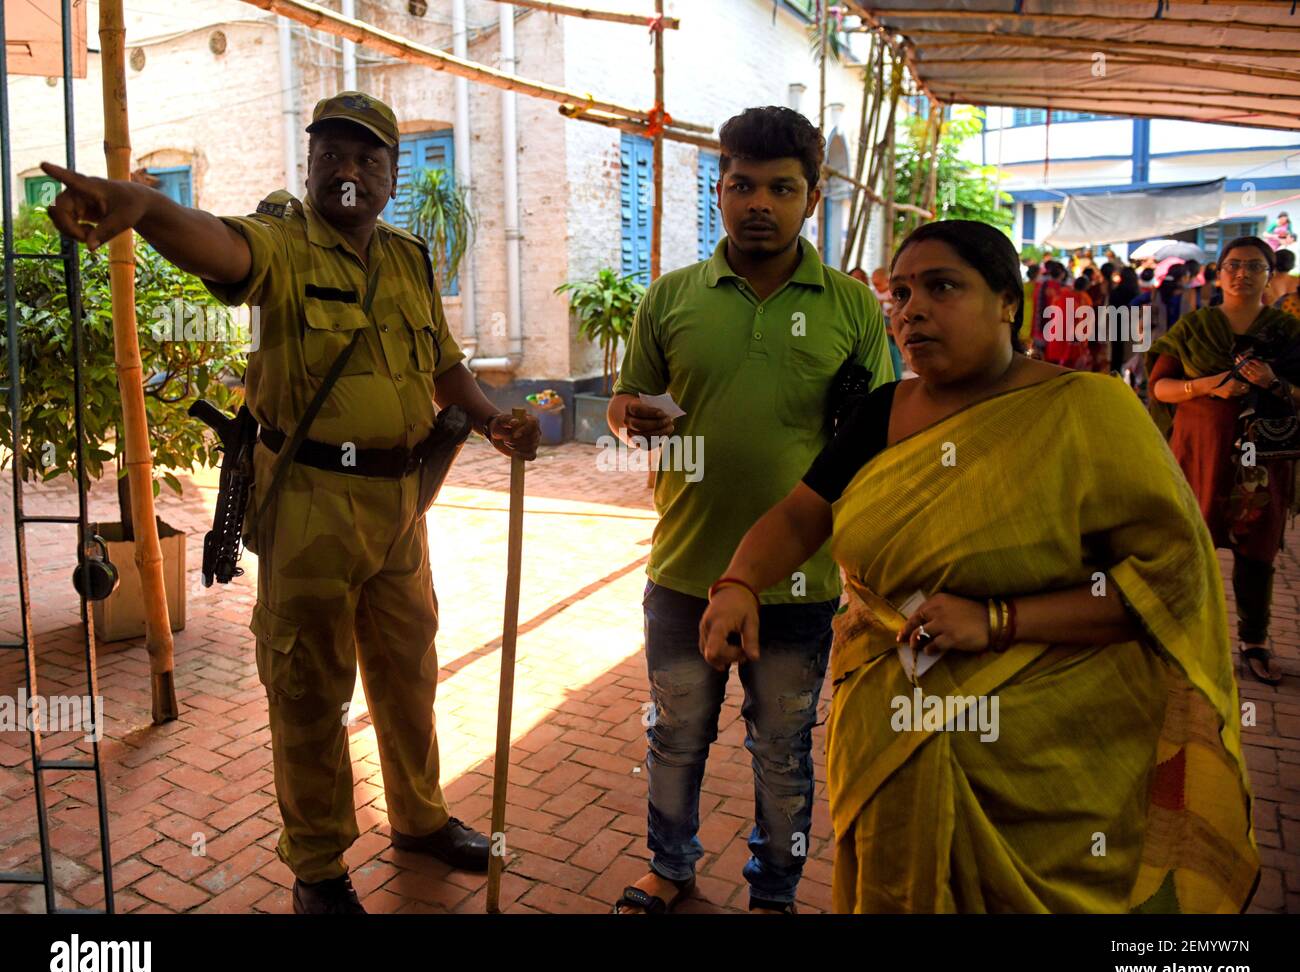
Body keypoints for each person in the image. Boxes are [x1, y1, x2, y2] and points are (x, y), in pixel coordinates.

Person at [40, 91, 542, 915]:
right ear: (310, 165)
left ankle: (418, 819)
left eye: (367, 156)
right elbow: (224, 250)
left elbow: (446, 369)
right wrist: (146, 207)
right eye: (330, 154)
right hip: (309, 502)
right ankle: (318, 869)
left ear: (391, 175)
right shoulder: (285, 242)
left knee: (409, 672)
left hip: (402, 504)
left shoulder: (410, 258)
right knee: (309, 687)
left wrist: (494, 422)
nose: (347, 169)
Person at [698, 219, 1258, 913]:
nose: (913, 310)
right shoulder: (881, 413)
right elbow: (801, 513)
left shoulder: (1088, 411)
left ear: (1007, 303)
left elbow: (1169, 581)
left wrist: (996, 620)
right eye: (901, 293)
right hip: (889, 716)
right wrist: (739, 582)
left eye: (942, 287)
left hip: (1045, 759)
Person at [605, 105, 894, 915]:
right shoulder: (670, 299)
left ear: (811, 196)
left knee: (783, 752)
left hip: (799, 585)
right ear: (719, 191)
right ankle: (671, 866)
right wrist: (631, 415)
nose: (757, 202)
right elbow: (625, 401)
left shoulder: (852, 308)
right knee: (675, 739)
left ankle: (775, 892)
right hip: (685, 570)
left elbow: (874, 429)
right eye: (740, 184)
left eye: (780, 187)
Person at [1148, 236, 1300, 686]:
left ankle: (1254, 640)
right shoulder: (1196, 327)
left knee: (1259, 550)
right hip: (1200, 453)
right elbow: (1159, 389)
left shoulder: (1287, 333)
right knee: (1192, 544)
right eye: (1233, 265)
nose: (1242, 273)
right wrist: (1207, 386)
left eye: (1255, 266)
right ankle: (1183, 634)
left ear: (1268, 276)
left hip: (1263, 460)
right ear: (1218, 272)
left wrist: (1274, 382)